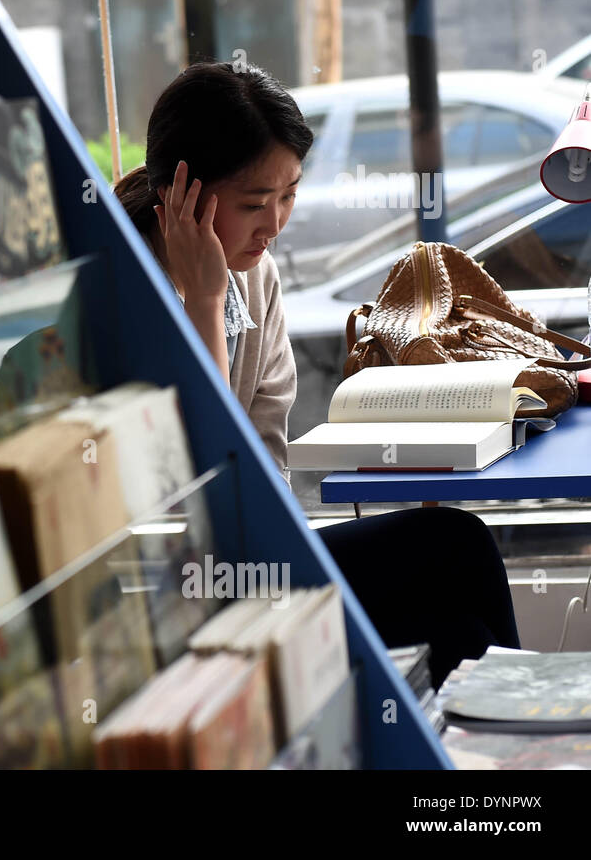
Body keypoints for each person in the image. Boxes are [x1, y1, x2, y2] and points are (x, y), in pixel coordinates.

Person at [114, 60, 520, 688]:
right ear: (181, 194)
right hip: (182, 584)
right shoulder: (123, 294)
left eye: (289, 194)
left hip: (259, 549)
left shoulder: (255, 273)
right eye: (254, 203)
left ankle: (509, 754)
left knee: (457, 594)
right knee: (450, 554)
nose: (275, 225)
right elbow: (203, 476)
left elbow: (263, 465)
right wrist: (202, 304)